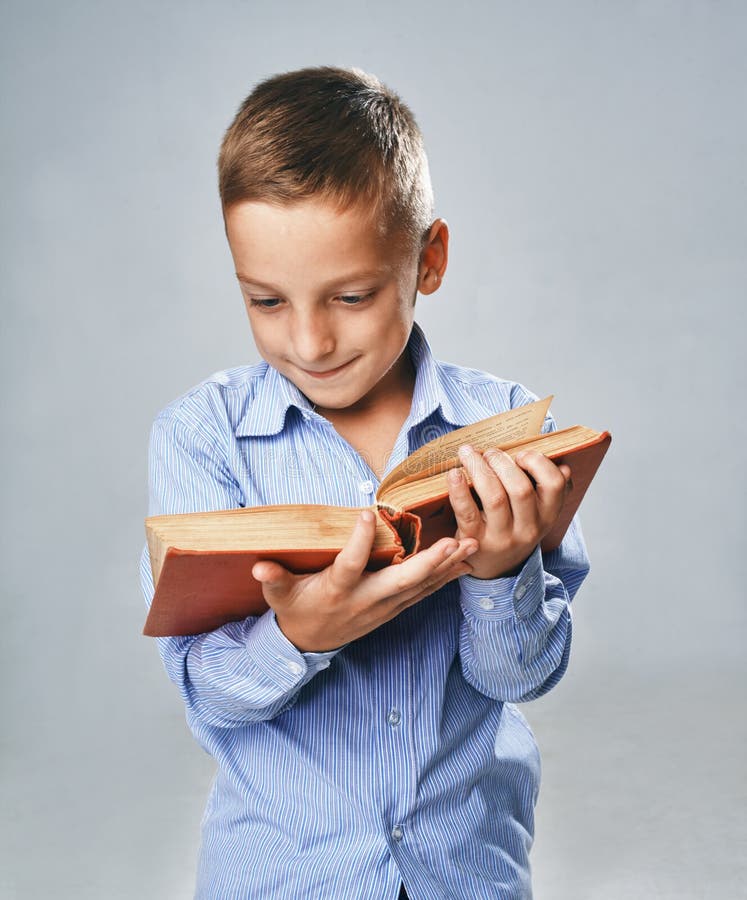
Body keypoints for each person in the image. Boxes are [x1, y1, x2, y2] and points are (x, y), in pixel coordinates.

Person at [140, 66, 590, 900]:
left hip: (465, 871)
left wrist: (497, 575)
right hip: (282, 877)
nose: (308, 342)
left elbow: (522, 680)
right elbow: (208, 694)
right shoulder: (203, 437)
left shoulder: (507, 427)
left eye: (349, 295)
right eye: (266, 301)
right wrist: (298, 638)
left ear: (429, 259)